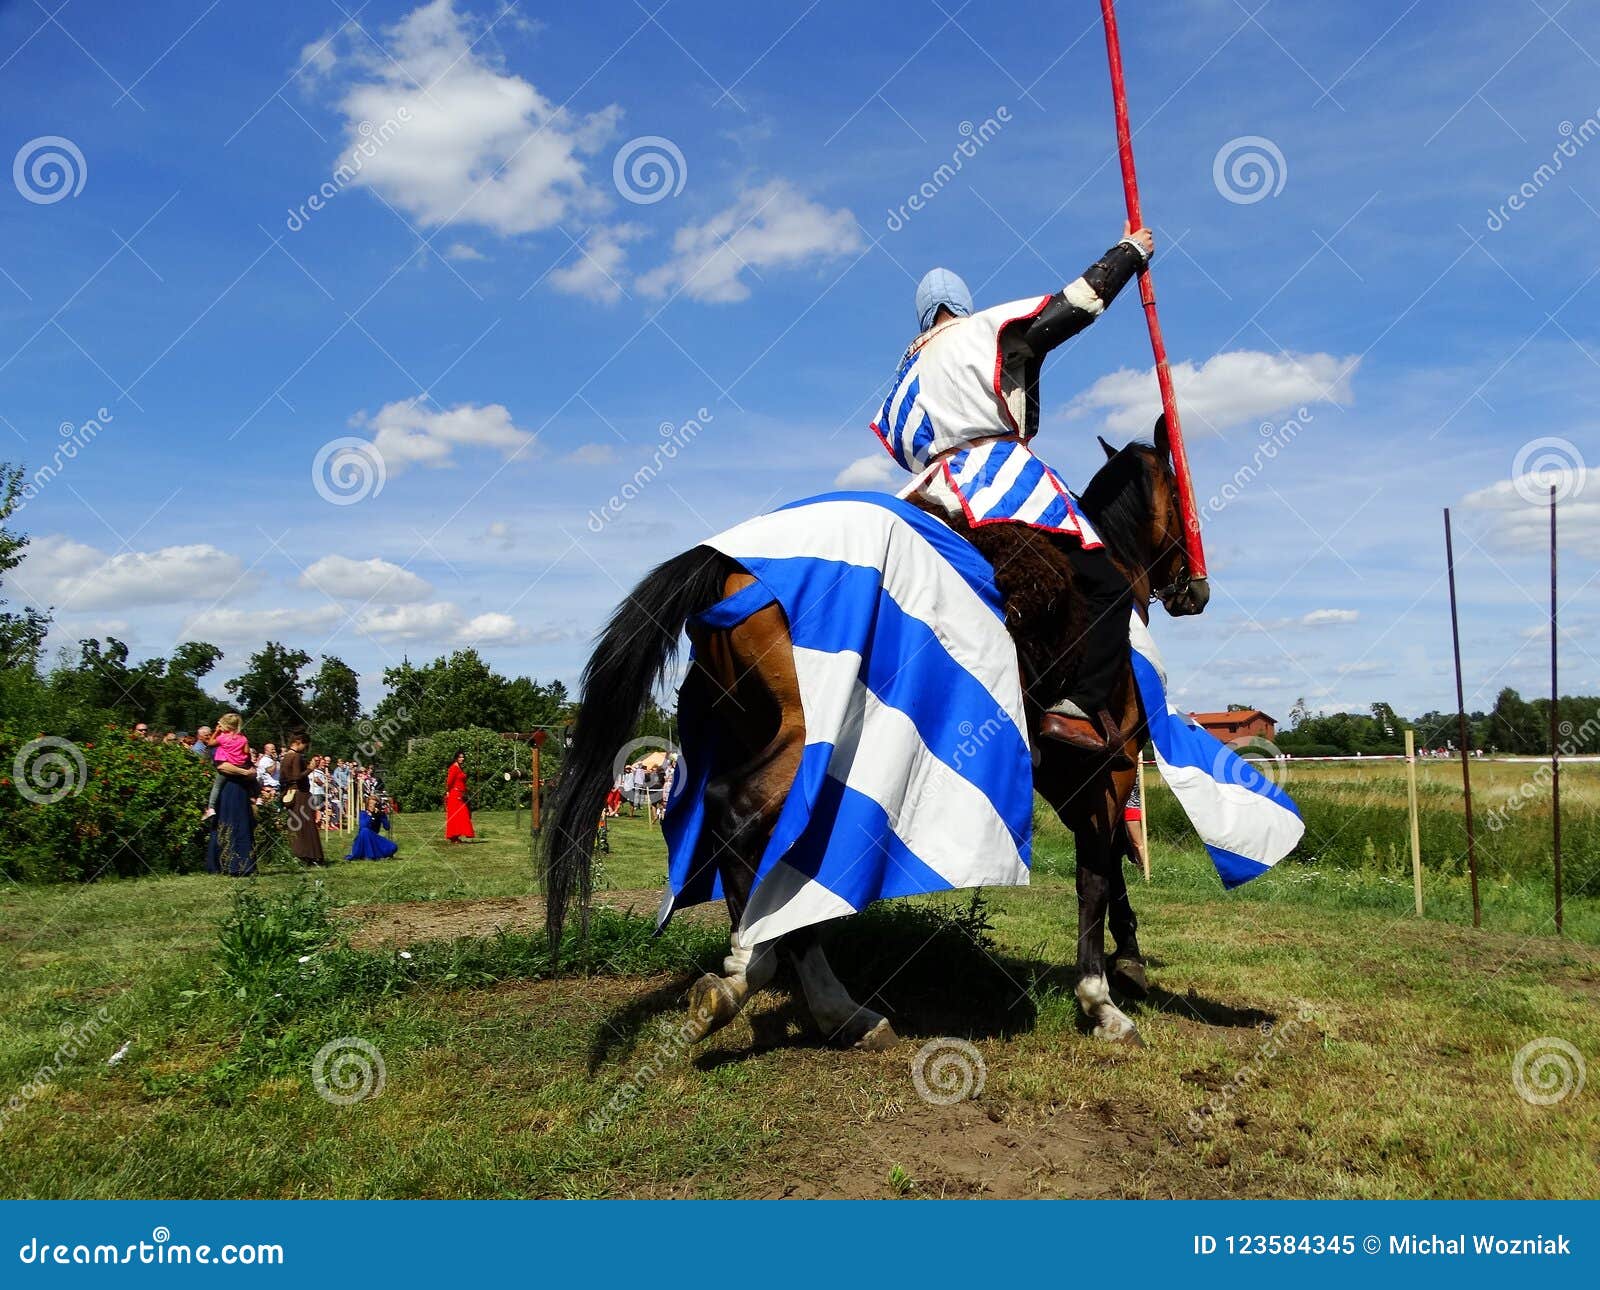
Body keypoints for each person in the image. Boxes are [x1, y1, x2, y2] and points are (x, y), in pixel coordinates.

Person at [873, 224, 1154, 755]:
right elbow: (1077, 305)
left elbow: (899, 443)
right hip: (998, 479)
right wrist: (1129, 253)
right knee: (1110, 588)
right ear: (962, 303)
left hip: (927, 490)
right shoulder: (984, 332)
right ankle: (1078, 714)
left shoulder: (903, 373)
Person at [277, 730, 325, 866]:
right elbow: (297, 776)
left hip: (290, 794)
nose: (305, 748)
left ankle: (298, 854)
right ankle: (310, 855)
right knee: (306, 826)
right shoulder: (296, 757)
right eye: (305, 745)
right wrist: (310, 768)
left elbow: (283, 778)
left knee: (295, 826)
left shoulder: (285, 757)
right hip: (301, 794)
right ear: (298, 743)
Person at [345, 797, 399, 861]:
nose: (372, 805)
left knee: (393, 847)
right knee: (365, 831)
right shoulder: (363, 813)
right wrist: (372, 816)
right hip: (362, 840)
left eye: (375, 804)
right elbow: (363, 826)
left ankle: (371, 855)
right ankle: (369, 856)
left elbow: (387, 827)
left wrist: (382, 816)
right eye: (371, 803)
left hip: (373, 838)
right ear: (367, 805)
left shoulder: (379, 814)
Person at [445, 749, 474, 842]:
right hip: (455, 795)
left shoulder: (459, 768)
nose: (462, 758)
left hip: (461, 794)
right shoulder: (454, 768)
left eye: (463, 757)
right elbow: (449, 782)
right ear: (456, 758)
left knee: (460, 815)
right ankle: (454, 836)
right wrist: (448, 791)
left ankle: (455, 837)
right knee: (460, 815)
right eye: (460, 757)